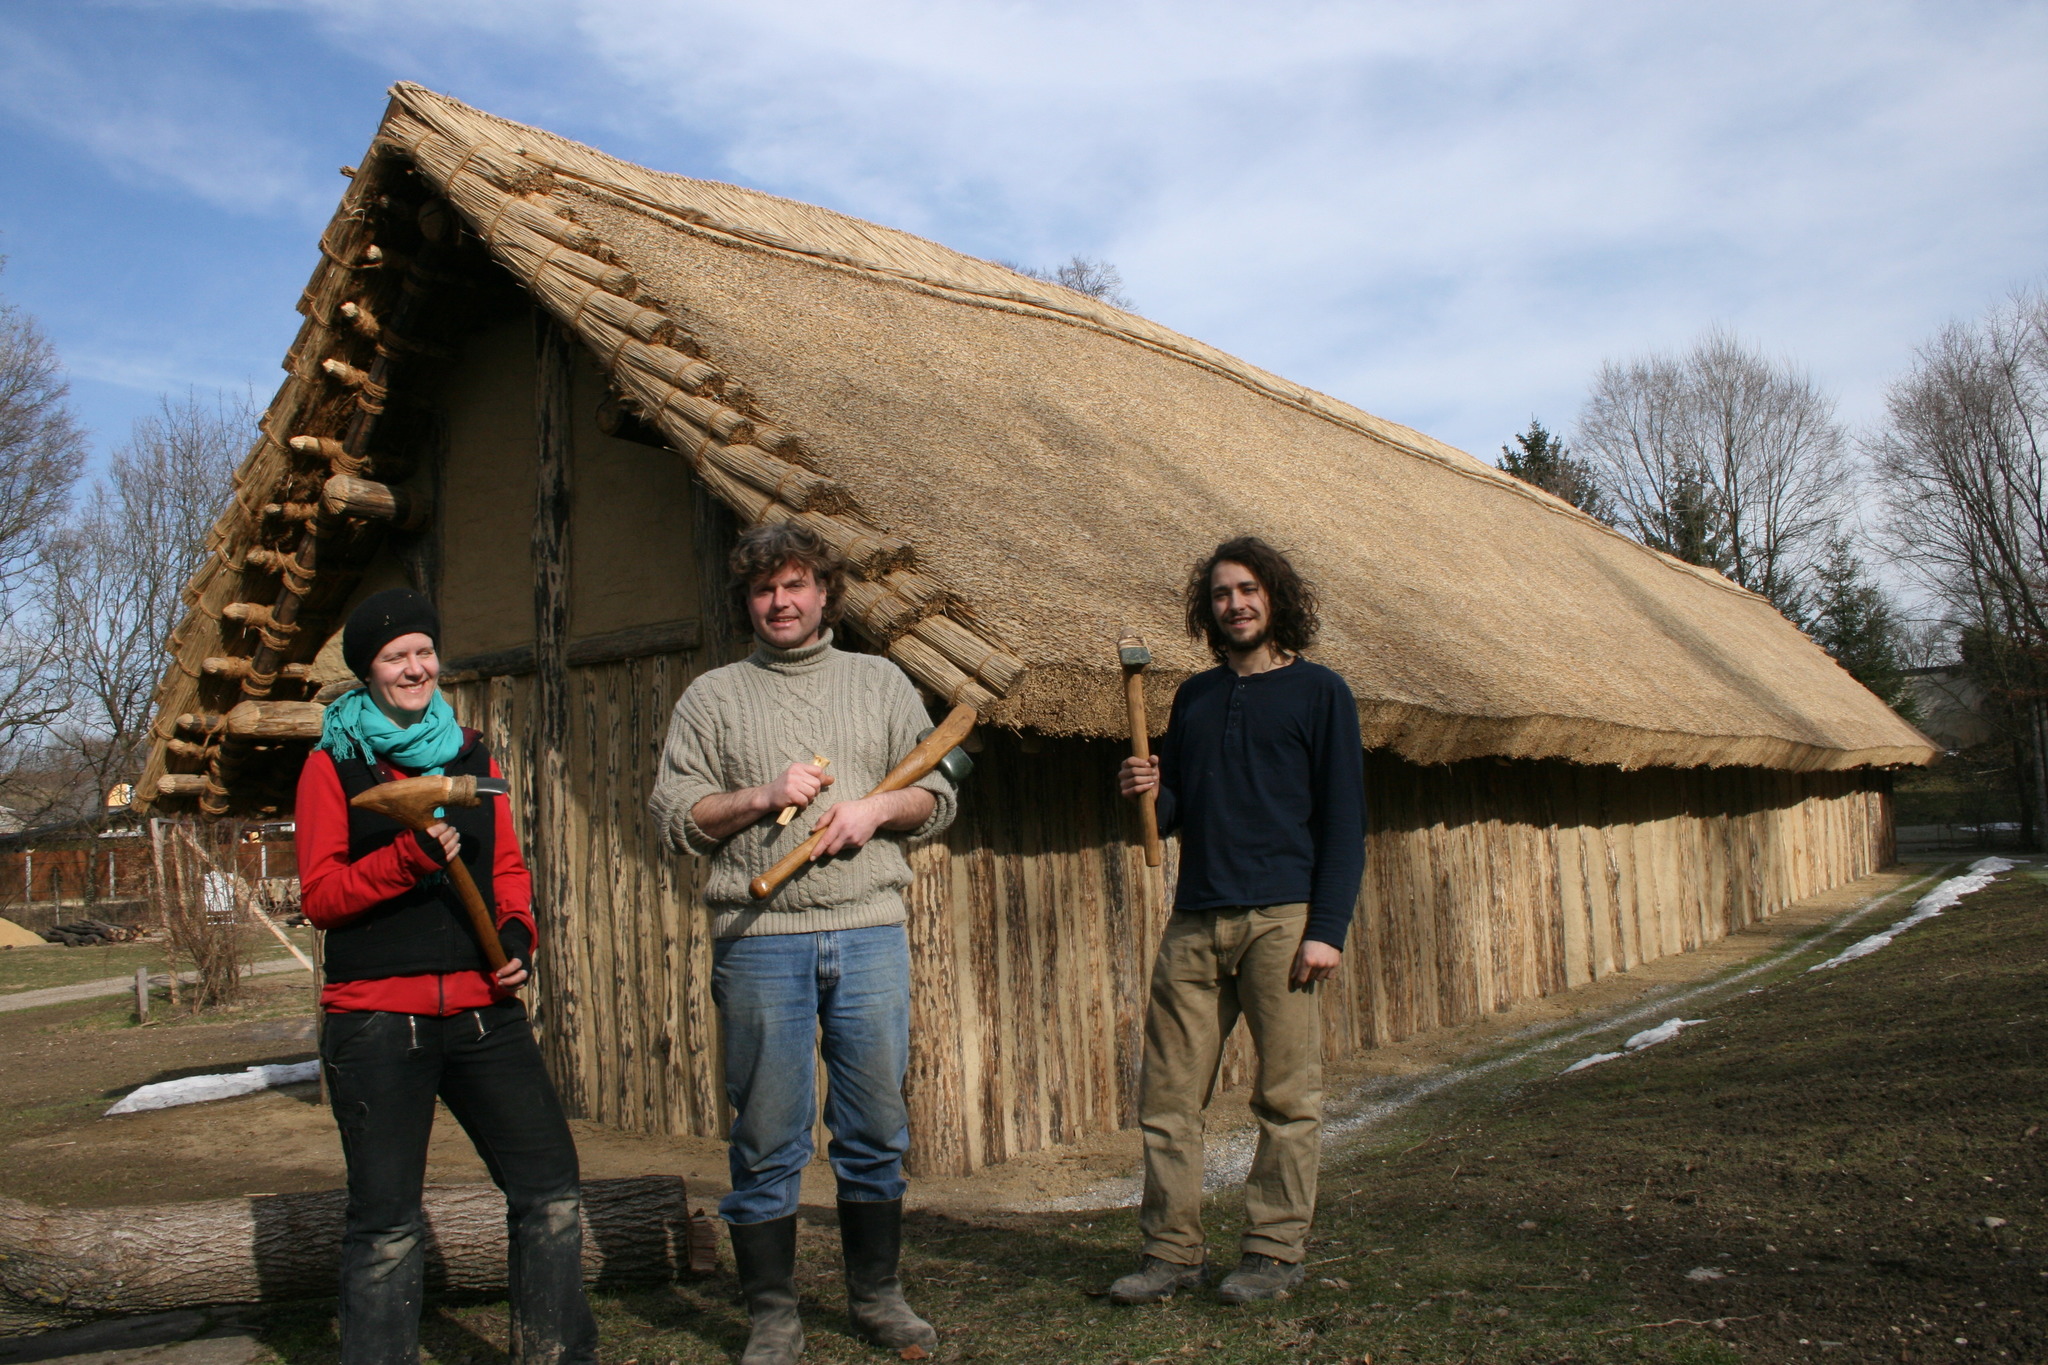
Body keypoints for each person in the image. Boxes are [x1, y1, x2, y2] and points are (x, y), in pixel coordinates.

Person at [649, 521, 956, 1365]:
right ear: (747, 601)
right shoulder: (711, 698)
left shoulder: (882, 681)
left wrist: (874, 810)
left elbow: (936, 796)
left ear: (825, 593)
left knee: (875, 1122)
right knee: (768, 1130)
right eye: (763, 590)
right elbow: (676, 815)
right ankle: (773, 1315)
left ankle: (877, 1294)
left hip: (868, 935)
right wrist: (759, 795)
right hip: (759, 943)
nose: (779, 602)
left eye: (794, 586)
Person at [297, 588, 596, 1365]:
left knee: (550, 1190)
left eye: (424, 651)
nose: (416, 666)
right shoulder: (333, 762)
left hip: (480, 1011)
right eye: (397, 656)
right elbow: (322, 897)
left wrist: (516, 933)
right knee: (386, 1224)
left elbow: (505, 866)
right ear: (368, 670)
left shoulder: (471, 753)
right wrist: (403, 859)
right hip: (374, 1020)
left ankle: (556, 1353)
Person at [1109, 536, 1367, 1306]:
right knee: (1167, 1098)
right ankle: (1170, 1253)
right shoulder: (1194, 697)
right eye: (1222, 593)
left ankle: (1271, 1251)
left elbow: (1345, 822)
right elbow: (1179, 812)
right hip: (1196, 916)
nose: (1236, 604)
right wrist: (1144, 788)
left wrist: (1328, 927)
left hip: (1282, 920)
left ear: (1275, 597)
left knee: (1287, 1097)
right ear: (1207, 608)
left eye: (1248, 589)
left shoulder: (1322, 693)